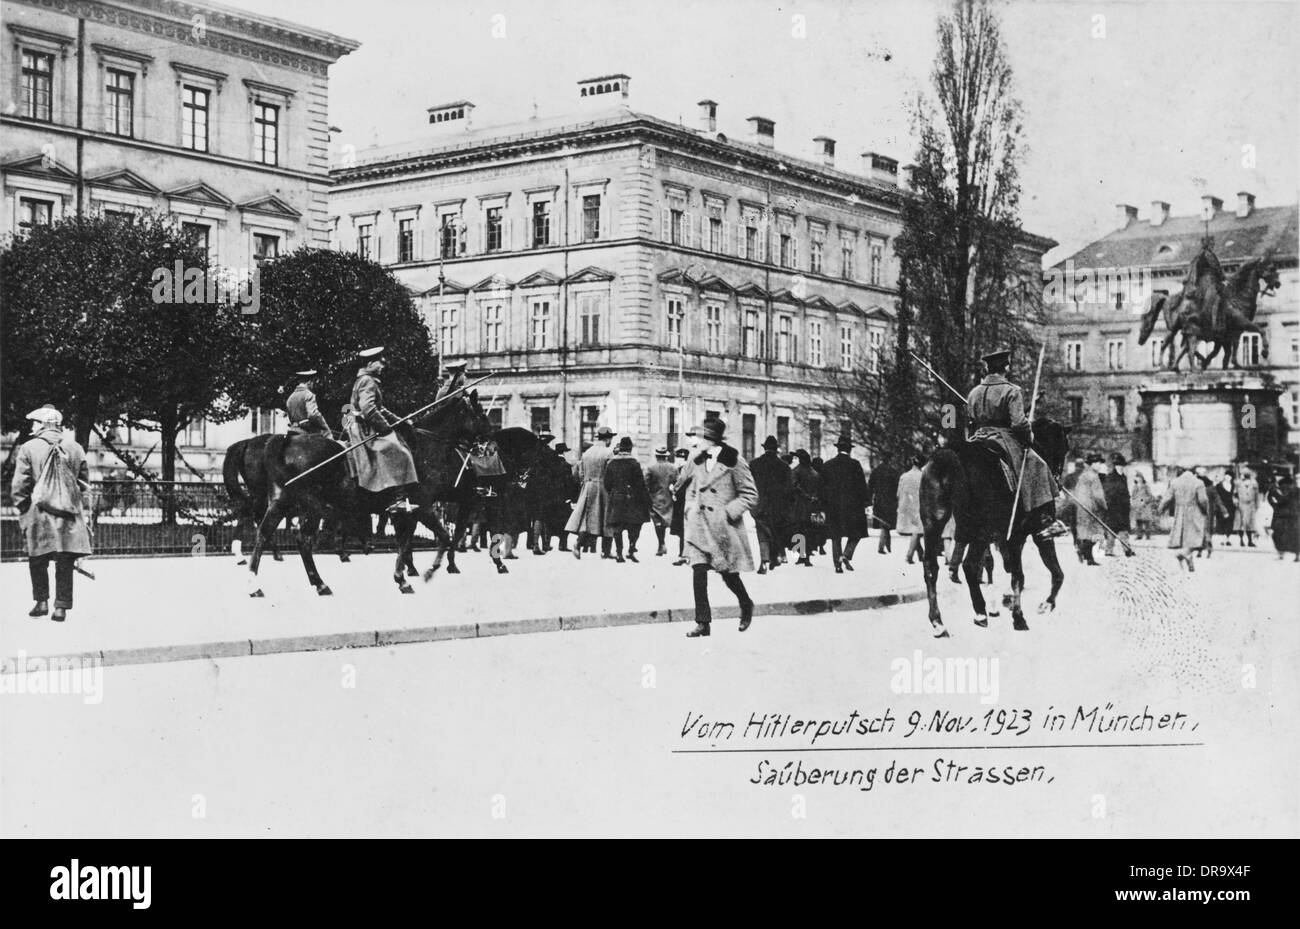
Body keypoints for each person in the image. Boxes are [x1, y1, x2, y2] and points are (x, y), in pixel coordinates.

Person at [966, 348, 1067, 541]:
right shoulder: (1011, 390)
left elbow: (970, 419)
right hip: (1004, 438)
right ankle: (1045, 518)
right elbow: (1019, 423)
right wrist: (1028, 438)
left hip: (979, 437)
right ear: (1005, 367)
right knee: (1038, 465)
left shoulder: (974, 392)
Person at [11, 407, 92, 622]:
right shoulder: (75, 447)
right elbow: (83, 484)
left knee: (37, 558)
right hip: (68, 515)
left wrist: (23, 509)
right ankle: (61, 607)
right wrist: (79, 509)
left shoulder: (28, 448)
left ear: (43, 424)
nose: (32, 426)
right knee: (65, 560)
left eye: (34, 422)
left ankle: (41, 602)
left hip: (38, 513)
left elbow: (20, 485)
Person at [681, 418, 759, 638]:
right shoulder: (696, 460)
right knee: (698, 572)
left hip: (722, 528)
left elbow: (750, 495)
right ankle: (703, 623)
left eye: (702, 438)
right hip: (699, 526)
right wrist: (690, 507)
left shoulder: (734, 461)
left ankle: (746, 603)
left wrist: (728, 512)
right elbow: (693, 488)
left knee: (728, 574)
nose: (697, 442)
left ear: (711, 440)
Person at [345, 346, 419, 513]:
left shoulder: (364, 380)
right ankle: (398, 499)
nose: (383, 366)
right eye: (380, 363)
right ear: (370, 364)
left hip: (361, 426)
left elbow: (381, 409)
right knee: (401, 451)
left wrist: (400, 422)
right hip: (365, 430)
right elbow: (369, 409)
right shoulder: (367, 381)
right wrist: (386, 429)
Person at [820, 435, 870, 573]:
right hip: (853, 508)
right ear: (849, 450)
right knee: (856, 533)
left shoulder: (828, 465)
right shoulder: (855, 465)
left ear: (838, 449)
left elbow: (821, 488)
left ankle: (837, 564)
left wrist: (822, 506)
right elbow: (862, 486)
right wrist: (867, 503)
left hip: (833, 507)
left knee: (836, 536)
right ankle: (846, 555)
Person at [565, 425, 614, 558]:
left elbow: (580, 474)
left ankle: (578, 544)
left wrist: (585, 484)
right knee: (606, 518)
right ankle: (606, 551)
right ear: (608, 439)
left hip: (587, 487)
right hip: (603, 487)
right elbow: (611, 473)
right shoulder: (608, 453)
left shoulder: (587, 453)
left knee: (587, 519)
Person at [749, 435, 793, 574]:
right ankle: (776, 557)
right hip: (778, 507)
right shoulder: (784, 466)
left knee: (762, 534)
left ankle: (764, 561)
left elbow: (749, 485)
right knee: (775, 531)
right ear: (776, 449)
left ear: (764, 448)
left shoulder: (754, 464)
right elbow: (789, 489)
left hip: (760, 505)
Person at [603, 436, 651, 562]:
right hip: (632, 499)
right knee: (634, 525)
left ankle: (619, 553)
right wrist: (645, 500)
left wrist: (613, 492)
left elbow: (606, 483)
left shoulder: (611, 463)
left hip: (617, 498)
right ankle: (631, 548)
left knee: (617, 526)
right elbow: (640, 484)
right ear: (630, 448)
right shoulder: (634, 463)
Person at [1162, 464, 1209, 571]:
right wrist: (1205, 510)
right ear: (1194, 471)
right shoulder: (1199, 482)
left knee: (1184, 538)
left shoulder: (1175, 482)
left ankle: (1188, 558)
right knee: (1198, 536)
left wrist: (1159, 510)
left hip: (1180, 512)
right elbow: (1203, 500)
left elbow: (1166, 499)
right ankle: (1185, 553)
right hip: (1195, 512)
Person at [1072, 452, 1110, 565]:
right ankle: (1083, 551)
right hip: (1092, 509)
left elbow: (1077, 492)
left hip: (1082, 508)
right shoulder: (1094, 477)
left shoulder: (1083, 475)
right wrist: (1105, 506)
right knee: (1098, 534)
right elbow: (1098, 495)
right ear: (1092, 464)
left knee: (1086, 534)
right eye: (1097, 463)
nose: (1099, 465)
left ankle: (1089, 558)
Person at [789, 449, 824, 566]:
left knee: (798, 530)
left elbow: (793, 487)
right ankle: (807, 557)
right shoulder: (814, 473)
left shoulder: (796, 471)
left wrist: (805, 496)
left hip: (798, 506)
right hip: (812, 506)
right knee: (809, 531)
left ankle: (801, 555)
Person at [644, 445, 678, 557]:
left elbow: (646, 484)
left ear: (656, 456)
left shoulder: (650, 467)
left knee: (657, 522)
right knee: (665, 520)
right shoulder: (673, 468)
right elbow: (677, 483)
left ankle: (661, 544)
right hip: (668, 498)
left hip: (654, 498)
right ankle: (662, 544)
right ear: (666, 456)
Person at [866, 455, 901, 554]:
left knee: (884, 524)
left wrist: (869, 500)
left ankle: (886, 546)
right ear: (890, 460)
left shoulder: (876, 471)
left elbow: (870, 486)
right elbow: (897, 488)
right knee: (886, 525)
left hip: (879, 501)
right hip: (890, 501)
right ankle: (883, 547)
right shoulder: (893, 472)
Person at [285, 369, 333, 437]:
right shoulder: (308, 394)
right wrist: (325, 427)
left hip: (293, 429)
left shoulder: (290, 398)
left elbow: (290, 418)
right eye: (313, 382)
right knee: (329, 438)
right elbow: (313, 415)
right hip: (308, 430)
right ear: (309, 382)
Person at [1101, 453, 1132, 556]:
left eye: (1122, 466)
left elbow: (1125, 493)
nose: (1121, 468)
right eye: (1119, 466)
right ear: (1115, 466)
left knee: (1123, 530)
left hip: (1122, 509)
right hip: (1112, 509)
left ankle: (1127, 549)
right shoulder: (1110, 478)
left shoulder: (1123, 478)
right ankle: (1109, 550)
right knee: (1111, 530)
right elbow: (1108, 493)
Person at [896, 455, 925, 564]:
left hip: (906, 506)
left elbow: (898, 493)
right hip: (918, 505)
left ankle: (920, 553)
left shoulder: (904, 476)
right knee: (917, 530)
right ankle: (909, 555)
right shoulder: (923, 476)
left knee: (914, 530)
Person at [1193, 466, 1226, 558]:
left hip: (1199, 512)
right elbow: (1218, 499)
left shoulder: (1196, 485)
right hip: (1208, 512)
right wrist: (1224, 511)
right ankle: (1207, 549)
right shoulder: (1210, 486)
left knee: (1200, 531)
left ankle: (1202, 550)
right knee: (1207, 532)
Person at [1266, 473, 1300, 561]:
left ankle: (1281, 554)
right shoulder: (1296, 490)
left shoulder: (1277, 490)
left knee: (1278, 534)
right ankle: (1297, 555)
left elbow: (1272, 499)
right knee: (1294, 535)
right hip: (1293, 515)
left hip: (1280, 515)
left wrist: (1275, 505)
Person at [670, 447, 691, 565]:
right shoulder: (681, 469)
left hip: (683, 503)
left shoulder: (684, 470)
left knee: (684, 529)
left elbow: (680, 486)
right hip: (681, 503)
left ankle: (684, 555)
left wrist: (673, 490)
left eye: (679, 457)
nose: (677, 459)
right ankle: (683, 554)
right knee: (683, 530)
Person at [1234, 468, 1260, 546]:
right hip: (1241, 505)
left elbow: (1257, 495)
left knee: (1250, 524)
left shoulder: (1254, 484)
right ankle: (1241, 540)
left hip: (1250, 505)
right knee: (1241, 524)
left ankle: (1250, 540)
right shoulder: (1238, 483)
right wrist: (1236, 502)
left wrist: (1257, 505)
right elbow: (1235, 494)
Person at [1130, 472, 1158, 540]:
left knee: (1146, 521)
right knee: (1138, 521)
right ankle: (1139, 535)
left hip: (1145, 506)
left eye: (1139, 477)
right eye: (1137, 477)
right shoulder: (1135, 487)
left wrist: (1144, 501)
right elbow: (1133, 496)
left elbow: (1150, 496)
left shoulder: (1146, 486)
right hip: (1137, 506)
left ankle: (1148, 535)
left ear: (1142, 478)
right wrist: (1134, 502)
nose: (1138, 479)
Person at [1215, 471, 1237, 545]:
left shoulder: (1233, 486)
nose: (1228, 478)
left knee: (1230, 522)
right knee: (1222, 522)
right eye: (1226, 476)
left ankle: (1228, 538)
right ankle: (1223, 538)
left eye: (1229, 476)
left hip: (1231, 506)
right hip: (1222, 506)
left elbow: (1235, 495)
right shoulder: (1219, 485)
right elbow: (1216, 496)